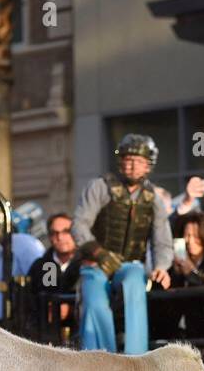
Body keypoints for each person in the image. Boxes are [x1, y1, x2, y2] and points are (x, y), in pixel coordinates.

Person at [72, 133, 173, 354]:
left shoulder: (153, 198)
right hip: (95, 263)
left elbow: (163, 241)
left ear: (148, 166)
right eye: (128, 159)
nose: (133, 165)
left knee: (136, 280)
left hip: (131, 265)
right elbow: (79, 226)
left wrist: (162, 267)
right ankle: (99, 357)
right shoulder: (99, 187)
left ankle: (135, 357)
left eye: (139, 161)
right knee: (94, 301)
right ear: (120, 161)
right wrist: (99, 254)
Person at [150, 211, 204, 345]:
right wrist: (173, 273)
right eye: (187, 236)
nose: (190, 241)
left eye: (196, 236)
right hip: (175, 328)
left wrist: (192, 273)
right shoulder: (172, 263)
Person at [26, 212, 81, 341]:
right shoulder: (40, 267)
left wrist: (72, 309)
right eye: (54, 233)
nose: (60, 237)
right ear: (49, 236)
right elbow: (29, 304)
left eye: (66, 231)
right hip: (46, 339)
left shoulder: (87, 265)